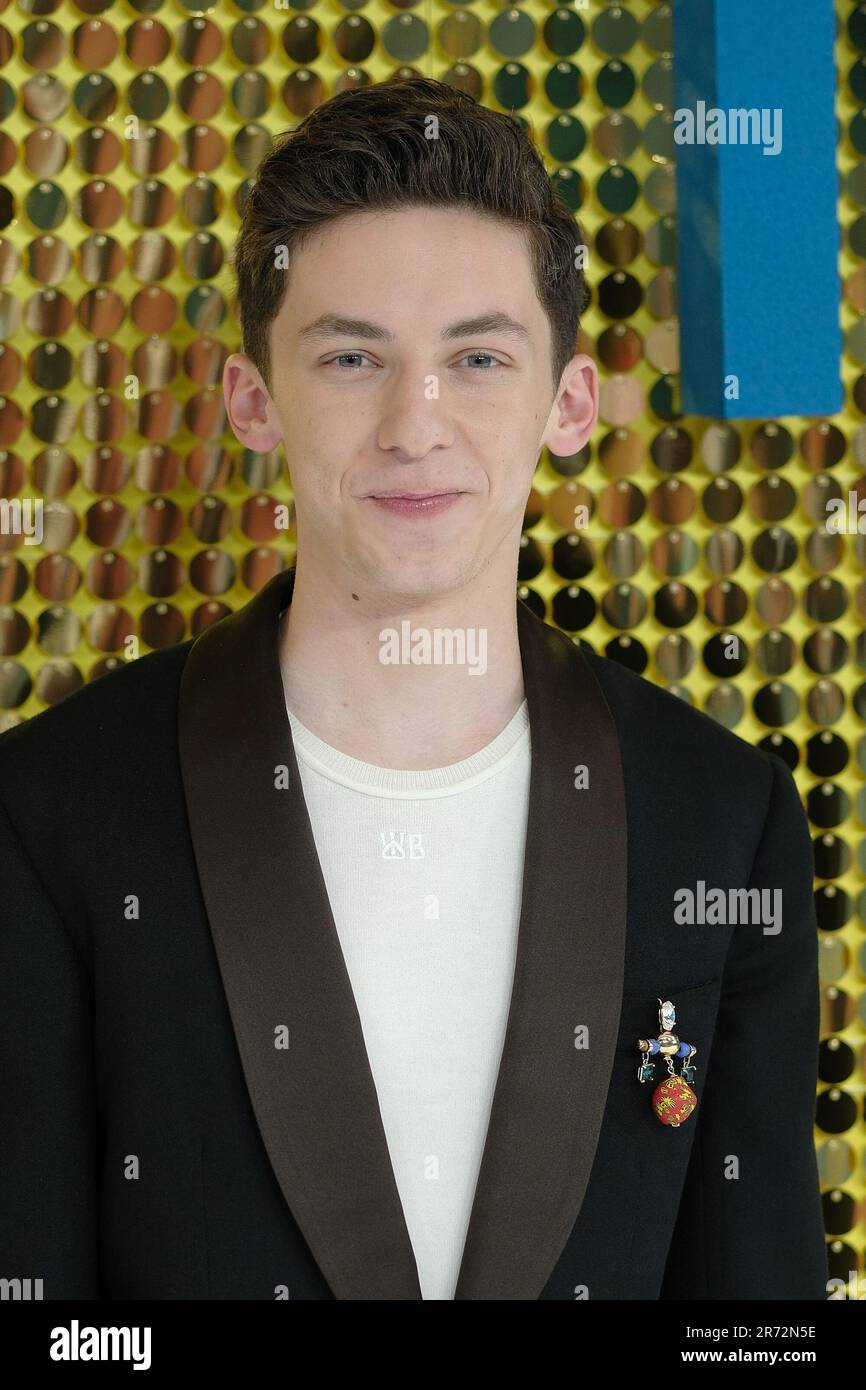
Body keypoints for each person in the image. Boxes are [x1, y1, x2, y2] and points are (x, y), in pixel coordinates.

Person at [0, 76, 827, 1300]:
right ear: (251, 399)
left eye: (476, 357)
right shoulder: (51, 810)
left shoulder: (724, 819)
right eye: (350, 357)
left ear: (567, 402)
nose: (414, 423)